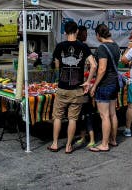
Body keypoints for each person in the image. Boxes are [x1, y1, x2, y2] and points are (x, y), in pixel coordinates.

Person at [48, 20, 96, 154]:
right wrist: (88, 81)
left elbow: (57, 65)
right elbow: (94, 65)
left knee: (57, 117)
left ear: (65, 32)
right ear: (77, 32)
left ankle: (55, 144)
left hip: (62, 87)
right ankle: (69, 146)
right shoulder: (83, 47)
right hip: (77, 89)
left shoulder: (59, 46)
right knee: (72, 119)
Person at [88, 23, 120, 152]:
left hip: (105, 84)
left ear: (98, 35)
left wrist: (94, 85)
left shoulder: (102, 48)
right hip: (114, 83)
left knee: (104, 116)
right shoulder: (116, 46)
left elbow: (101, 69)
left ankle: (104, 144)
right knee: (112, 114)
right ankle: (113, 140)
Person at [74, 26, 96, 150]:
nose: (86, 35)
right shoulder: (82, 47)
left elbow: (92, 65)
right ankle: (83, 137)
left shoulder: (84, 47)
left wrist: (88, 80)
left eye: (87, 33)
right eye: (84, 33)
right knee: (81, 114)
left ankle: (91, 139)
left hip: (82, 85)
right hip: (79, 85)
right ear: (78, 34)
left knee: (86, 113)